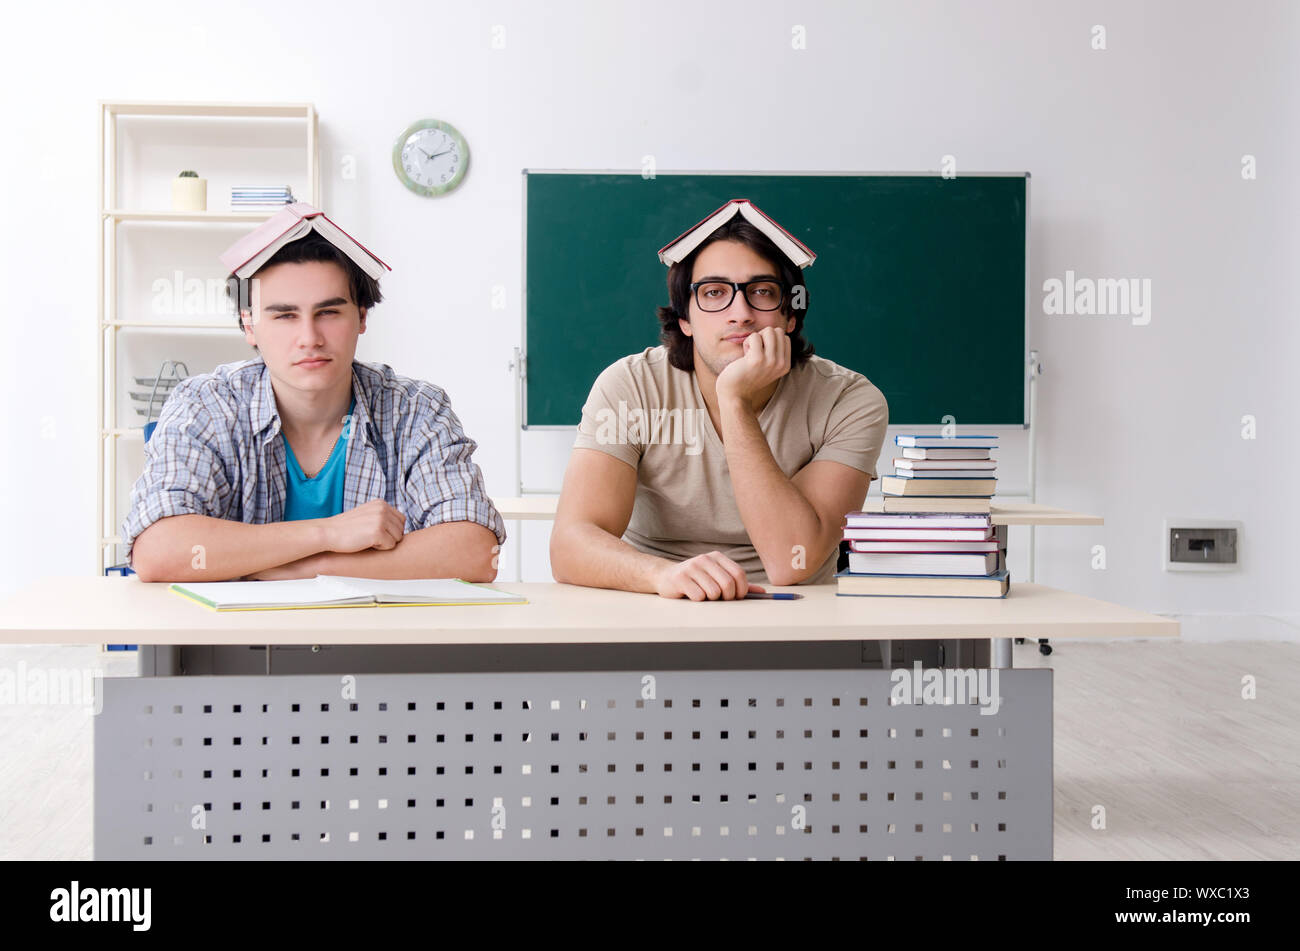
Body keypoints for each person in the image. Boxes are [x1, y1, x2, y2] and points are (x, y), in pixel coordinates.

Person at [123, 213, 504, 583]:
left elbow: (473, 554)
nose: (309, 337)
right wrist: (327, 534)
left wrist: (297, 570)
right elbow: (159, 553)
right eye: (285, 316)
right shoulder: (204, 406)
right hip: (236, 641)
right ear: (248, 324)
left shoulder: (416, 410)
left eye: (329, 312)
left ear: (362, 316)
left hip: (377, 640)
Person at [550, 203, 888, 600]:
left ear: (790, 316)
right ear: (684, 319)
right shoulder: (630, 385)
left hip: (796, 612)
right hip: (659, 602)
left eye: (762, 292)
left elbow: (790, 563)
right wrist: (663, 576)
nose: (740, 314)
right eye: (714, 293)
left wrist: (735, 401)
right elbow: (569, 548)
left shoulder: (850, 400)